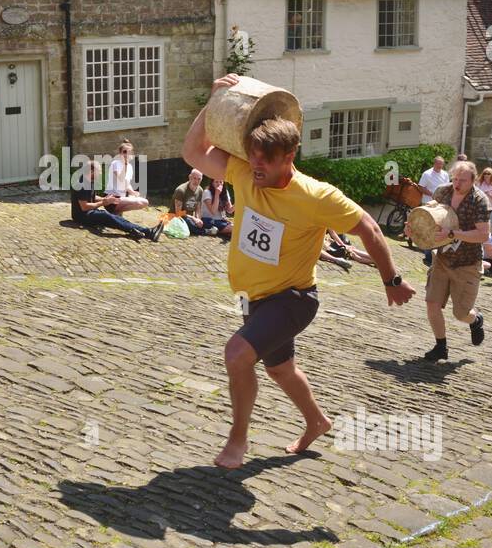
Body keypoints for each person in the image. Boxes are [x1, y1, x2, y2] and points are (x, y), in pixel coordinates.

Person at [183, 73, 416, 469]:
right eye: (252, 154)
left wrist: (391, 280)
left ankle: (237, 442)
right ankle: (317, 421)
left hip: (292, 299)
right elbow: (193, 151)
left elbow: (370, 228)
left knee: (237, 355)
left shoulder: (316, 196)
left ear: (289, 157)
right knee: (280, 369)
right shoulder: (243, 171)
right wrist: (217, 101)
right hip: (253, 298)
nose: (255, 164)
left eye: (265, 159)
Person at [407, 160, 490, 361]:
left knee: (460, 313)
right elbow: (428, 217)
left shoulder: (479, 201)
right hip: (442, 259)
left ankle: (475, 319)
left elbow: (483, 235)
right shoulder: (442, 192)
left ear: (473, 180)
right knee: (432, 304)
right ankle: (440, 346)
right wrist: (412, 228)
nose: (457, 183)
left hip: (467, 263)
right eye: (455, 179)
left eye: (462, 180)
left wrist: (453, 233)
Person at [70, 160, 163, 241]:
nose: (100, 173)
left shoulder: (89, 181)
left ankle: (138, 230)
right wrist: (103, 203)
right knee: (108, 217)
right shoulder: (81, 184)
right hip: (81, 216)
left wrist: (106, 199)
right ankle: (148, 232)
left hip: (89, 212)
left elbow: (92, 197)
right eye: (99, 171)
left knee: (115, 217)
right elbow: (84, 207)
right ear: (91, 171)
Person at [417, 156, 450, 267]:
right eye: (438, 164)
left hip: (440, 205)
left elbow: (447, 187)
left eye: (442, 164)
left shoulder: (445, 174)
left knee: (437, 228)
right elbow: (420, 186)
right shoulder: (427, 174)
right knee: (428, 228)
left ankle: (434, 254)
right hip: (428, 204)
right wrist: (432, 194)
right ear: (434, 163)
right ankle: (427, 254)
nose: (440, 166)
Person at [105, 140, 150, 213]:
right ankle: (114, 212)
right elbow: (121, 179)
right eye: (124, 152)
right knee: (143, 201)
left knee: (143, 202)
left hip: (121, 198)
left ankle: (116, 213)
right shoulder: (115, 163)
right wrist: (125, 164)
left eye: (128, 152)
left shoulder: (130, 167)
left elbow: (127, 183)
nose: (126, 154)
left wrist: (133, 193)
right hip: (111, 198)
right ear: (120, 153)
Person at [201, 176, 234, 241]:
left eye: (221, 182)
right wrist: (217, 194)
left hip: (221, 221)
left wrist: (239, 201)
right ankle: (217, 231)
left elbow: (229, 210)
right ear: (212, 183)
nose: (219, 184)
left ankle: (218, 231)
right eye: (216, 182)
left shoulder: (225, 192)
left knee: (238, 227)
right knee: (234, 228)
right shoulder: (207, 192)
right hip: (209, 220)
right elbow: (213, 211)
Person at [476, 167, 492, 236]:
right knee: (482, 227)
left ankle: (487, 243)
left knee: (491, 226)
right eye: (485, 173)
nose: (486, 175)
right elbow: (476, 196)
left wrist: (489, 195)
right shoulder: (479, 183)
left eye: (488, 173)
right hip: (482, 208)